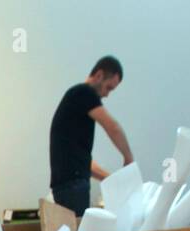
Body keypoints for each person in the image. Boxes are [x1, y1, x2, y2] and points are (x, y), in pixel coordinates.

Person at [48, 56, 134, 216]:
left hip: (66, 186)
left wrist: (111, 179)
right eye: (108, 88)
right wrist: (128, 158)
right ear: (99, 75)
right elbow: (113, 127)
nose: (107, 94)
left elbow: (83, 163)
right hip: (73, 187)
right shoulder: (84, 92)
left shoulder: (75, 100)